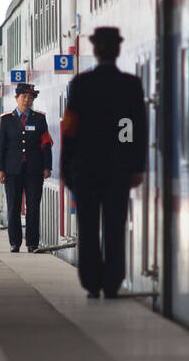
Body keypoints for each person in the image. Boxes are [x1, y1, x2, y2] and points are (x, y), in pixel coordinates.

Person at [60, 27, 147, 299]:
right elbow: (135, 128)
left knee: (87, 226)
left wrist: (65, 166)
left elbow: (70, 130)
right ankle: (112, 283)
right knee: (114, 225)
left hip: (85, 168)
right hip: (118, 169)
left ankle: (91, 283)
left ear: (95, 51)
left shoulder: (80, 85)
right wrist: (136, 166)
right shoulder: (130, 85)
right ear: (117, 51)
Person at [0, 83, 53, 253]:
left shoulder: (39, 118)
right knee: (13, 207)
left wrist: (47, 166)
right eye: (24, 97)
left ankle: (32, 243)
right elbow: (1, 147)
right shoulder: (6, 119)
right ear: (16, 98)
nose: (27, 100)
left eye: (30, 98)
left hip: (34, 171)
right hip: (12, 171)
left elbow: (45, 145)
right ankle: (15, 242)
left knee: (33, 207)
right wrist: (0, 169)